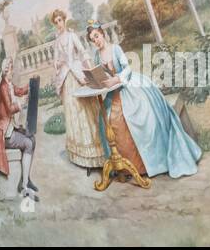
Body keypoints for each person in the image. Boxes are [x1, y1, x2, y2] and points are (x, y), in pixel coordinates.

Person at [86, 21, 201, 179]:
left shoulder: (115, 48)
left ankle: (145, 165)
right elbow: (102, 73)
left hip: (129, 86)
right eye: (93, 40)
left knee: (137, 115)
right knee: (108, 118)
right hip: (113, 91)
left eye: (97, 36)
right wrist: (97, 79)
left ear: (103, 34)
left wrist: (117, 79)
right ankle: (123, 166)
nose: (96, 41)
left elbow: (127, 68)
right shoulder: (97, 55)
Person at [49, 9, 103, 170]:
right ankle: (80, 155)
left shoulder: (72, 35)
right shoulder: (57, 41)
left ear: (64, 20)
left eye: (60, 20)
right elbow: (55, 61)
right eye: (56, 21)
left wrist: (89, 66)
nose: (59, 23)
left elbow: (83, 51)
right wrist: (58, 64)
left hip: (78, 73)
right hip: (67, 77)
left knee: (85, 108)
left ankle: (96, 149)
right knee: (73, 112)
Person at [0, 56, 39, 200]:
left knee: (32, 138)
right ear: (6, 70)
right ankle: (25, 185)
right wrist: (21, 103)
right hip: (4, 134)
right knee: (28, 143)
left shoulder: (8, 84)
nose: (13, 71)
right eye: (11, 69)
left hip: (10, 129)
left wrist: (31, 82)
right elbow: (9, 109)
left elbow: (20, 91)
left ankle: (26, 179)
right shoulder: (3, 87)